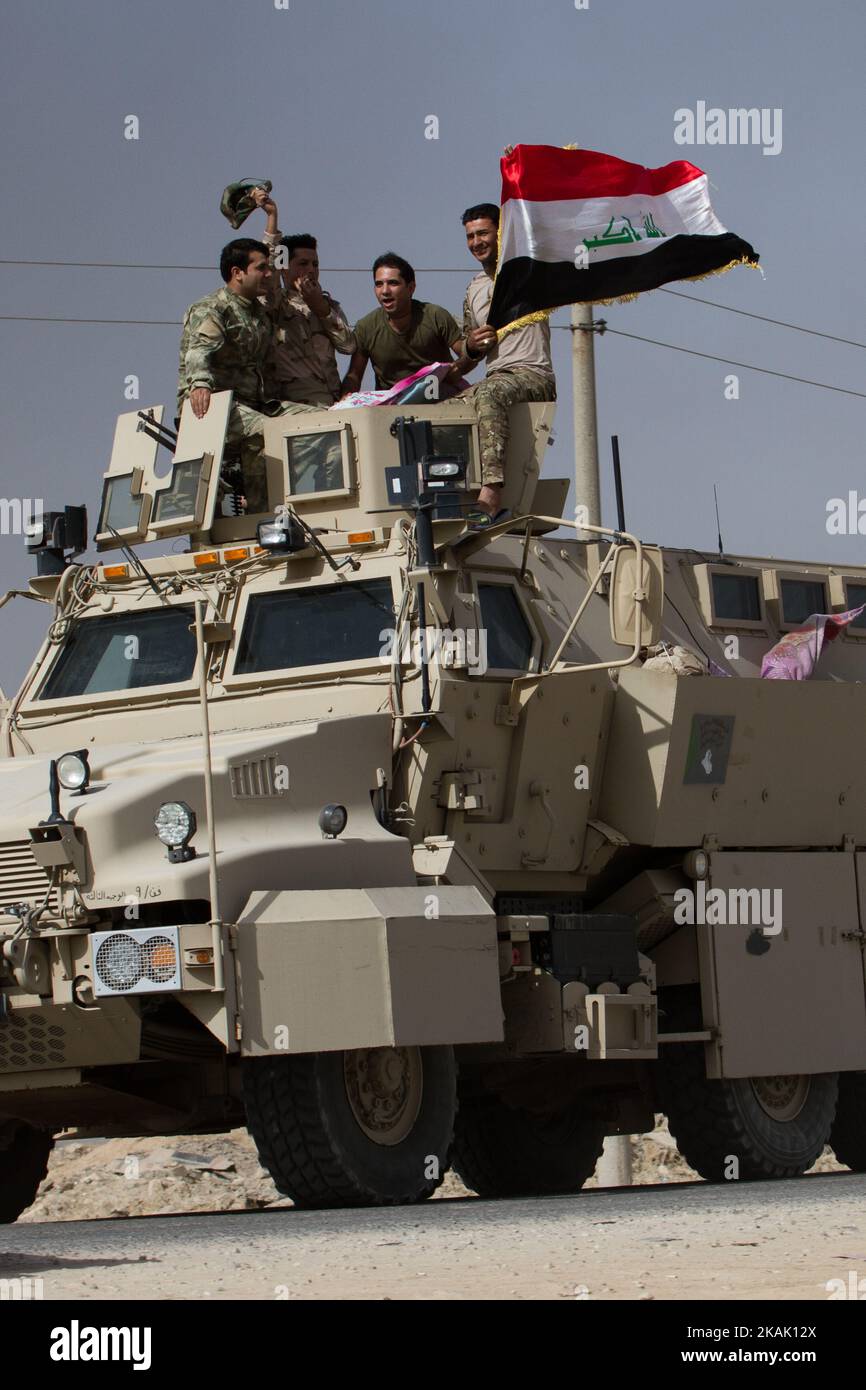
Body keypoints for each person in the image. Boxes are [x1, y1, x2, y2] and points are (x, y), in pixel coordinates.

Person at [177, 238, 316, 511]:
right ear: (237, 273)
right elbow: (198, 352)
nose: (268, 274)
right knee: (268, 432)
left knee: (323, 421)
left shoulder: (258, 313)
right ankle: (259, 512)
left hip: (256, 405)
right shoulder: (214, 309)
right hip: (215, 408)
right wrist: (201, 384)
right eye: (261, 268)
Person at [452, 202, 556, 527]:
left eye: (483, 233)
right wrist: (471, 346)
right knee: (444, 409)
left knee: (490, 394)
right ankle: (452, 497)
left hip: (533, 375)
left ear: (500, 233)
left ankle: (491, 497)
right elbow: (468, 358)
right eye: (470, 236)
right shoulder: (474, 289)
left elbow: (539, 233)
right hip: (495, 377)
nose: (476, 242)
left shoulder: (527, 270)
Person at [253, 190, 356, 407]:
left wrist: (321, 308)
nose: (310, 270)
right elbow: (267, 270)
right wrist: (272, 218)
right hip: (295, 413)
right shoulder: (276, 303)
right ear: (284, 268)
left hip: (333, 407)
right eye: (302, 264)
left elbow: (348, 346)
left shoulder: (328, 305)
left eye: (315, 264)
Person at [341, 254, 463, 394]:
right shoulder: (366, 327)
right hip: (392, 408)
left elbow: (466, 354)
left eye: (393, 283)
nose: (385, 291)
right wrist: (345, 397)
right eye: (379, 284)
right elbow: (354, 376)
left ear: (411, 288)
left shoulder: (435, 316)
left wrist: (457, 368)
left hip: (441, 400)